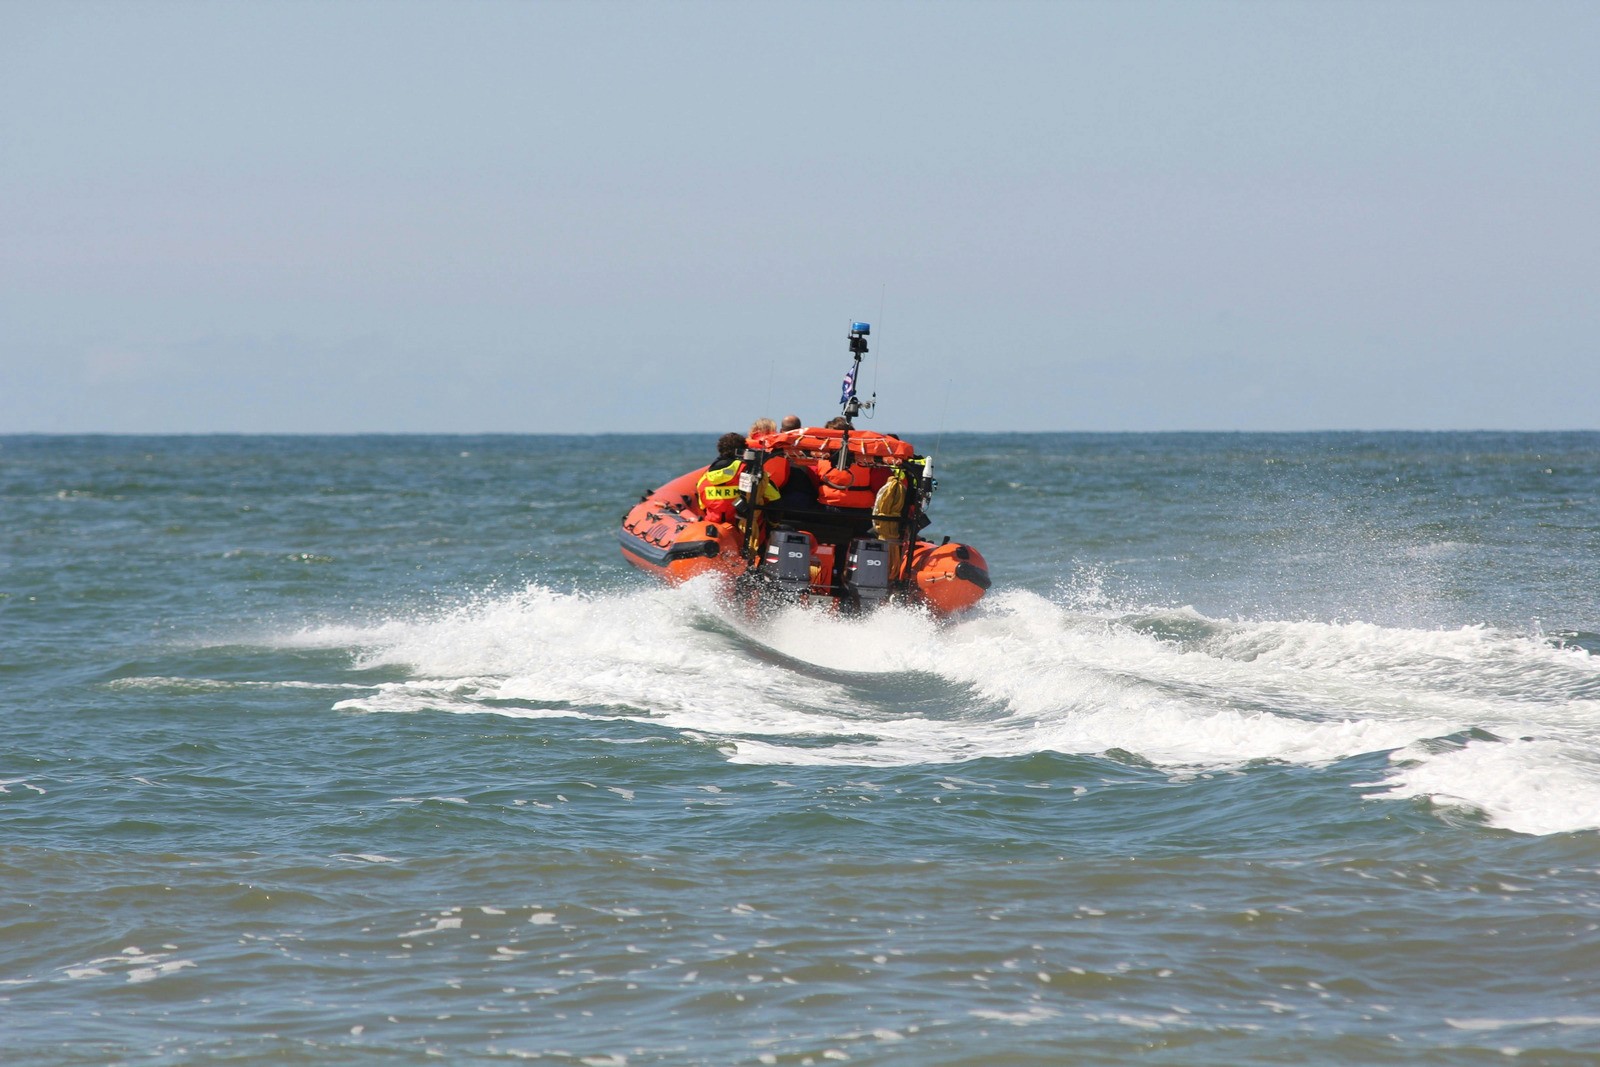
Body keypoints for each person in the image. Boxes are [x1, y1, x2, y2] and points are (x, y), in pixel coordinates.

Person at [696, 431, 776, 524]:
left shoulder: (704, 479)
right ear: (741, 451)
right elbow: (774, 497)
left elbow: (702, 506)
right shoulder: (747, 471)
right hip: (740, 529)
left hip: (712, 525)